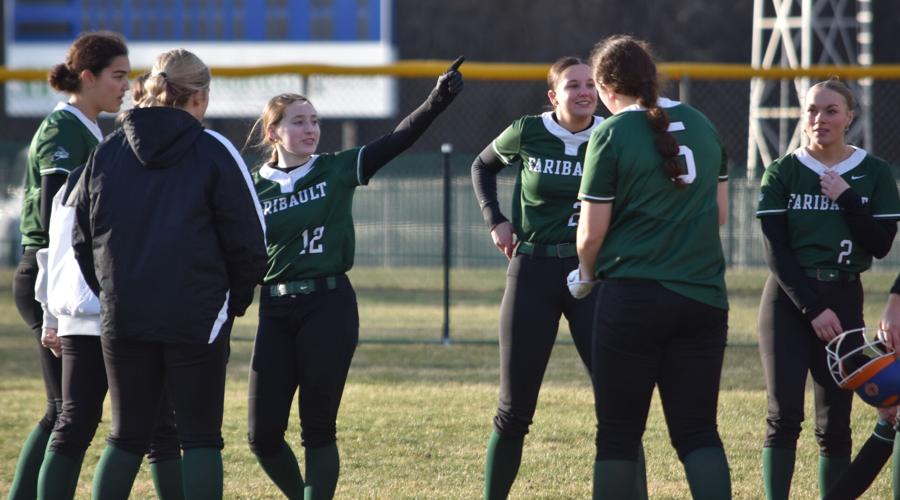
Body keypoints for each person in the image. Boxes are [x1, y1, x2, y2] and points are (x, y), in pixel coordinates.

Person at [244, 57, 463, 499]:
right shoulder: (250, 185)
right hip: (275, 307)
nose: (310, 129)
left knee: (317, 428)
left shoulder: (335, 168)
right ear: (273, 132)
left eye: (314, 120)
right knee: (261, 435)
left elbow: (396, 140)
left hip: (328, 305)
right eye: (298, 121)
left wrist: (435, 101)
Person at [71, 48, 268, 499]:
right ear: (199, 97)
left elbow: (80, 238)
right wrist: (233, 301)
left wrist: (111, 293)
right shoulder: (213, 148)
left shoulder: (107, 150)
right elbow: (250, 243)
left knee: (126, 435)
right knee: (200, 436)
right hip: (196, 313)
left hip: (124, 313)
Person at [470, 56, 647, 500]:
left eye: (590, 84)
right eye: (573, 85)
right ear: (554, 96)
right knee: (514, 409)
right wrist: (495, 219)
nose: (584, 92)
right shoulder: (528, 131)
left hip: (595, 273)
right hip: (533, 268)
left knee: (619, 406)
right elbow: (482, 166)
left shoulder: (615, 133)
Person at [570, 34, 731, 498]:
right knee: (698, 432)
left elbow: (591, 234)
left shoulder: (611, 132)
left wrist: (585, 275)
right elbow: (720, 215)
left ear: (605, 86)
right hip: (703, 296)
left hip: (634, 296)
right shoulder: (701, 123)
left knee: (618, 435)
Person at [33, 72, 184, 500]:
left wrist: (51, 314)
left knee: (73, 424)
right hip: (127, 314)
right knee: (157, 428)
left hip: (79, 313)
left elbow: (56, 248)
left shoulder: (88, 167)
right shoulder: (148, 174)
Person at [756, 77, 900, 499]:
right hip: (789, 299)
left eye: (831, 110)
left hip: (844, 294)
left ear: (849, 117)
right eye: (812, 110)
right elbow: (776, 252)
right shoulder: (783, 170)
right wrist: (812, 308)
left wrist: (847, 198)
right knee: (783, 416)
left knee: (835, 421)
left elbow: (879, 245)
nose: (819, 119)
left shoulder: (874, 172)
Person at [8, 31, 130, 500]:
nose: (125, 86)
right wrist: (53, 309)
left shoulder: (90, 127)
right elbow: (56, 214)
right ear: (87, 77)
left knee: (65, 411)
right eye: (117, 75)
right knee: (67, 411)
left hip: (67, 275)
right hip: (48, 274)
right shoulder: (63, 128)